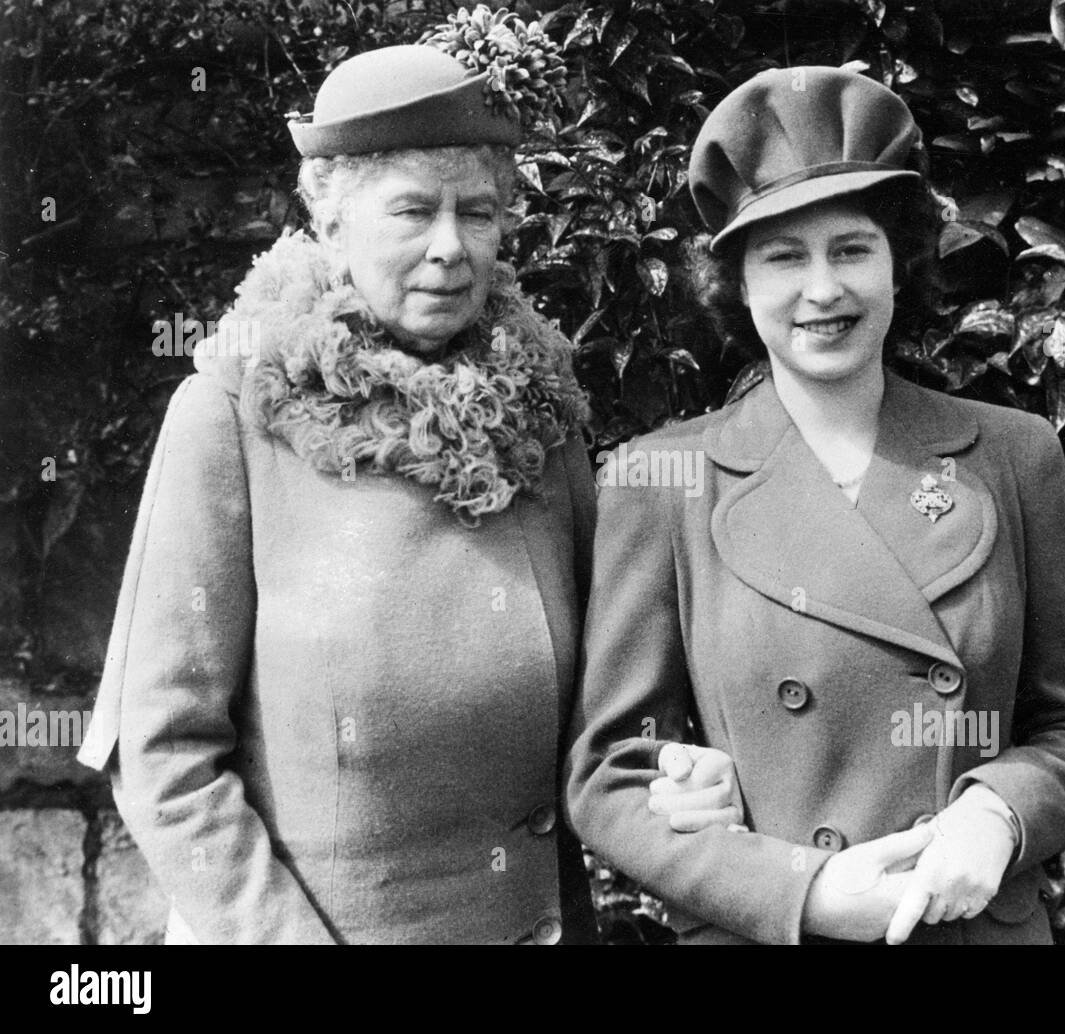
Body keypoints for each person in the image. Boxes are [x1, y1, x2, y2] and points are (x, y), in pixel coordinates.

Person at [76, 42, 732, 944]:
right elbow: (164, 755)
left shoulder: (544, 411)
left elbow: (611, 709)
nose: (448, 249)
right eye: (413, 210)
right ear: (332, 218)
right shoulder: (233, 411)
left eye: (479, 212)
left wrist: (677, 773)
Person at [564, 65, 1065, 945]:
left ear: (898, 266)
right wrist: (804, 890)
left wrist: (1000, 816)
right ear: (738, 287)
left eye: (852, 249)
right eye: (784, 258)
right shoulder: (660, 479)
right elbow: (610, 776)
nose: (823, 290)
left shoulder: (1014, 455)